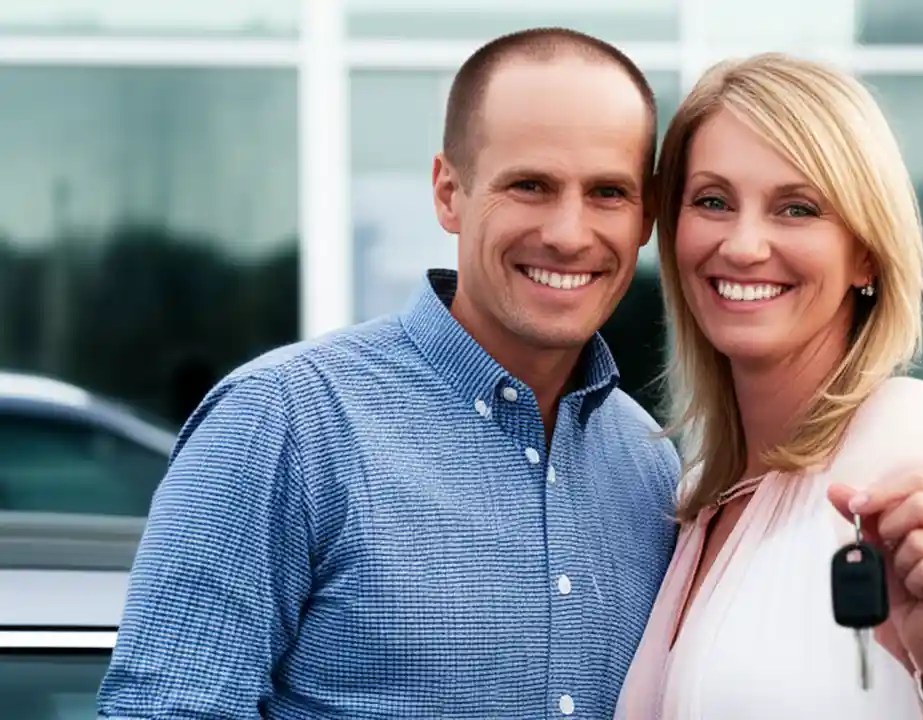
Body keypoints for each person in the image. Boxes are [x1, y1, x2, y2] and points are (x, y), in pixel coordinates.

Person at [97, 28, 680, 719]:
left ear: (644, 217)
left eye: (607, 192)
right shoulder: (282, 422)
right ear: (447, 193)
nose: (568, 232)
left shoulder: (649, 466)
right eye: (530, 185)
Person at [615, 54, 923, 719]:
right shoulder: (694, 498)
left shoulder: (916, 445)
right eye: (713, 201)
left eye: (796, 208)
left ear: (865, 250)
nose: (744, 245)